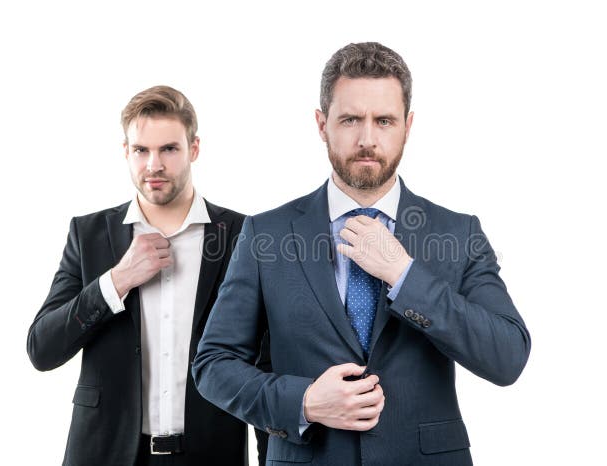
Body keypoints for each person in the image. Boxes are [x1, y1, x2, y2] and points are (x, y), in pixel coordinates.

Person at [192, 43, 531, 465]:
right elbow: (213, 365)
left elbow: (507, 356)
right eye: (350, 119)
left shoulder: (458, 233)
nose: (367, 139)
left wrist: (405, 276)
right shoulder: (266, 234)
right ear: (322, 124)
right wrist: (305, 402)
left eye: (384, 121)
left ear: (407, 126)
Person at [27, 85, 268, 465]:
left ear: (194, 148)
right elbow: (42, 349)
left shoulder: (243, 235)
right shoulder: (88, 234)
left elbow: (263, 363)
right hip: (105, 453)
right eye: (141, 150)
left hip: (210, 453)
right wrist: (116, 280)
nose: (153, 165)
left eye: (169, 149)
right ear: (126, 151)